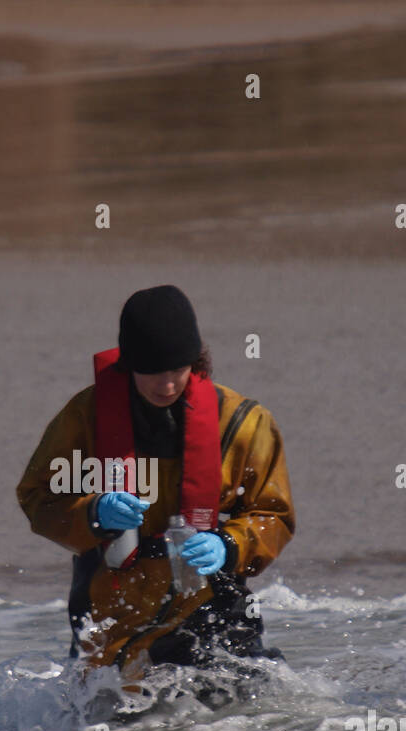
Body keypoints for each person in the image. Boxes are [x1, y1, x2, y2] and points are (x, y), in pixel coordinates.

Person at [16, 285, 294, 692]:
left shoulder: (244, 423)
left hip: (210, 603)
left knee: (242, 715)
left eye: (177, 370)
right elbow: (39, 498)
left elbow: (274, 515)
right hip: (113, 613)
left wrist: (230, 545)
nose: (166, 385)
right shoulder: (84, 418)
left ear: (196, 361)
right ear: (128, 366)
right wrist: (91, 512)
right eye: (152, 372)